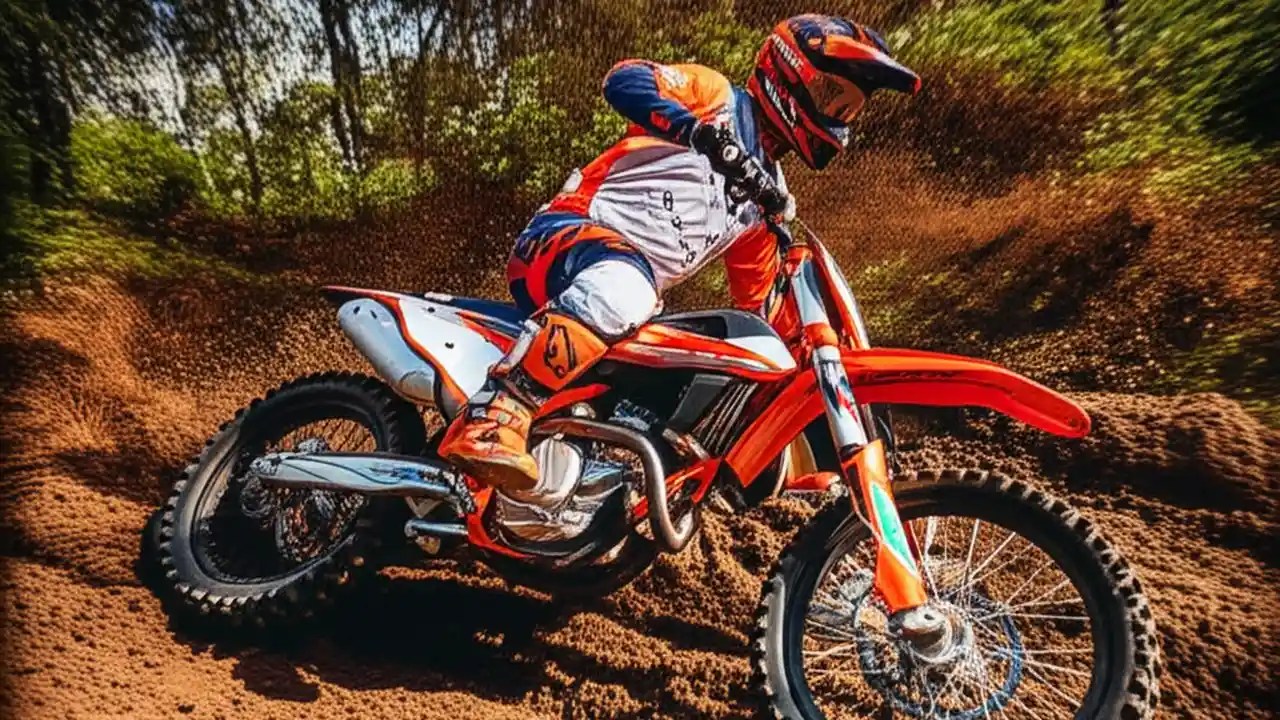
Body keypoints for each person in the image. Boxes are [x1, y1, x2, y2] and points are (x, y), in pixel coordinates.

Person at [438, 14, 921, 539]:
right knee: (629, 288)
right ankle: (494, 415)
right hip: (565, 239)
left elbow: (757, 306)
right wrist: (696, 131)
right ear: (791, 73)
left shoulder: (766, 199)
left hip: (625, 293)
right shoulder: (716, 98)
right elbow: (626, 81)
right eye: (832, 96)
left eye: (849, 106)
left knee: (738, 356)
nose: (839, 115)